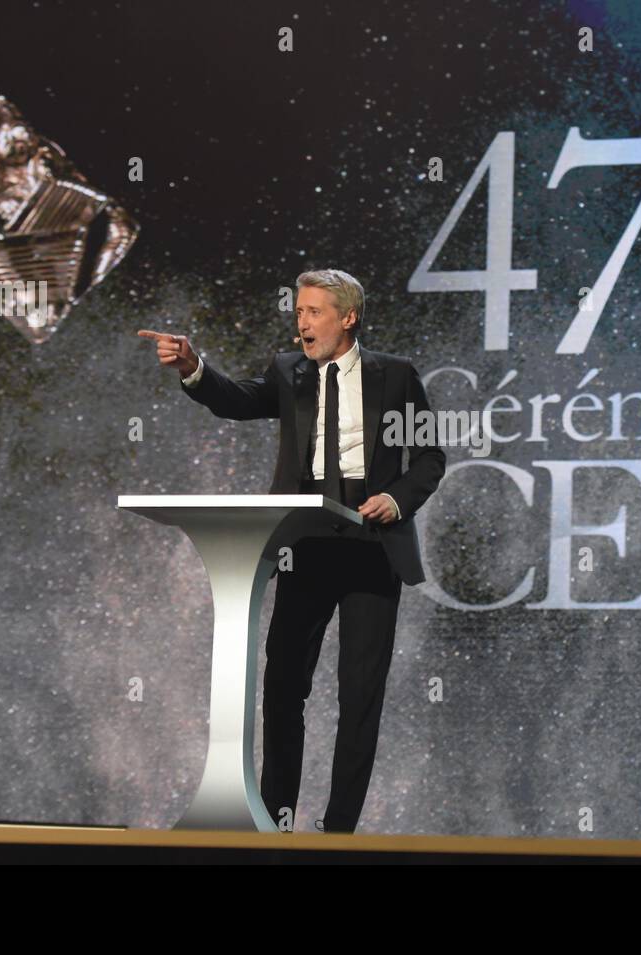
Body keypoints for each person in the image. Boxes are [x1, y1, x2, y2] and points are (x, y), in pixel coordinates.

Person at [138, 268, 445, 833]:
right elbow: (239, 401)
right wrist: (193, 368)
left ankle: (338, 835)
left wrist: (396, 500)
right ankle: (275, 821)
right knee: (282, 687)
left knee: (359, 697)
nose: (301, 323)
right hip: (302, 545)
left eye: (313, 312)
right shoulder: (290, 372)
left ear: (347, 317)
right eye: (298, 312)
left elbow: (429, 458)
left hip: (372, 545)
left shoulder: (397, 377)